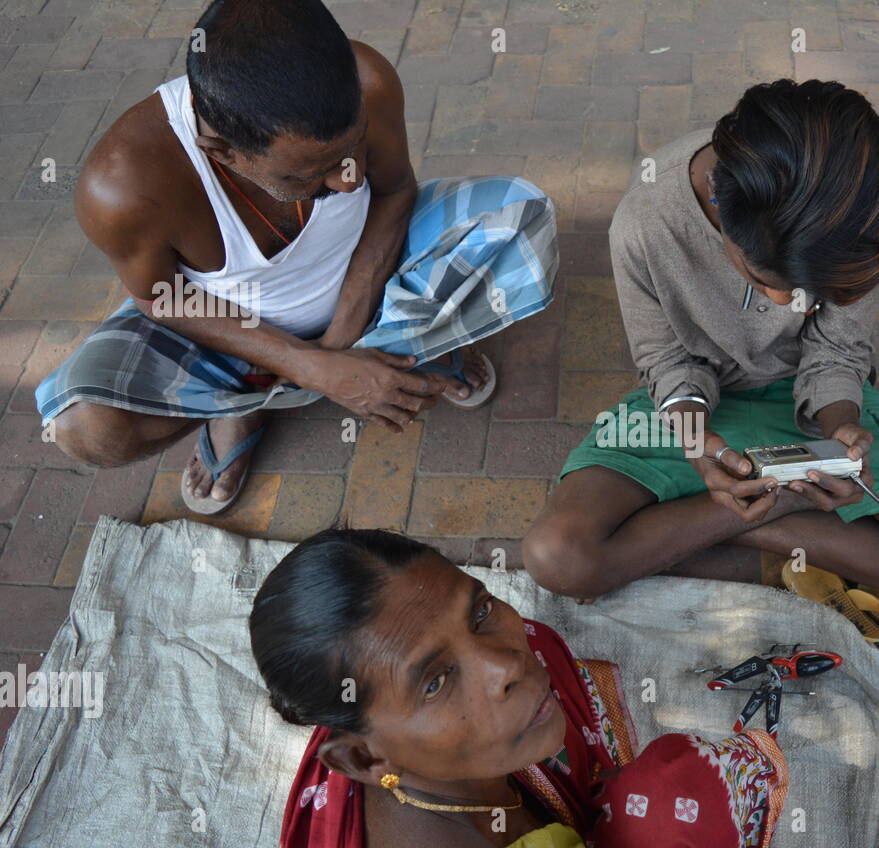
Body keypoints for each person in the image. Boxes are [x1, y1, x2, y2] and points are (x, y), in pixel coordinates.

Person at [36, 0, 556, 515]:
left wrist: (336, 346)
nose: (349, 179)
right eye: (311, 173)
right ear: (223, 152)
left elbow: (395, 192)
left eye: (351, 149)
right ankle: (247, 402)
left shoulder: (368, 77)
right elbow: (161, 298)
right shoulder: (123, 186)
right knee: (88, 429)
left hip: (378, 282)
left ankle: (399, 346)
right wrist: (312, 368)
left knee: (521, 215)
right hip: (235, 328)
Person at [524, 79, 879, 613]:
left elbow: (838, 352)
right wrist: (699, 445)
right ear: (720, 210)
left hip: (807, 404)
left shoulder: (863, 221)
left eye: (803, 290)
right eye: (761, 277)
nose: (787, 302)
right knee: (557, 557)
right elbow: (666, 361)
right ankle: (758, 503)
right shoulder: (646, 221)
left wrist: (838, 429)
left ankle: (727, 515)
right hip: (698, 408)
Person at [250, 529, 788, 848]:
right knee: (673, 797)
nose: (507, 663)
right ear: (362, 759)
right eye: (435, 681)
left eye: (480, 611)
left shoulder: (390, 737)